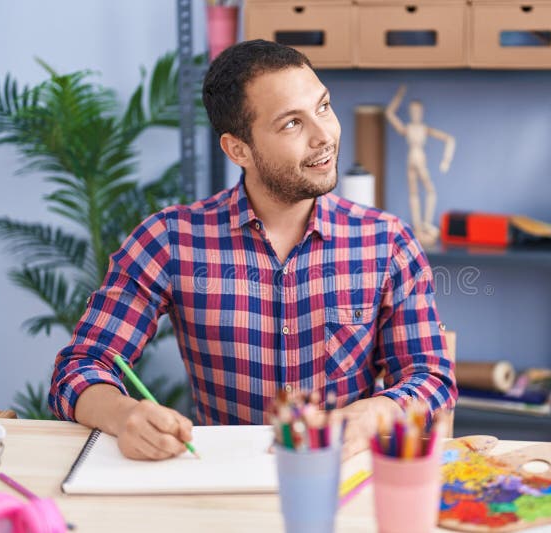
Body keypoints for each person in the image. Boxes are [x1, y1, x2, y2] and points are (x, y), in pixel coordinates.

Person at [49, 39, 457, 461]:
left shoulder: (387, 241)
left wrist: (379, 410)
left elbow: (432, 379)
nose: (325, 136)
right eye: (291, 124)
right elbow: (78, 368)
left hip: (341, 482)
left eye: (323, 107)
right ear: (237, 149)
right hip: (221, 484)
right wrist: (123, 414)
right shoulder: (169, 240)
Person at [385, 85, 456, 246]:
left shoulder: (423, 129)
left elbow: (449, 139)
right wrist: (399, 95)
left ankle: (425, 223)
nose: (415, 114)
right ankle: (420, 226)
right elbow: (389, 113)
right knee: (417, 192)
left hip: (416, 157)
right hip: (414, 157)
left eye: (417, 111)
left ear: (422, 112)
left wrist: (446, 160)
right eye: (412, 111)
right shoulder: (408, 128)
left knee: (428, 190)